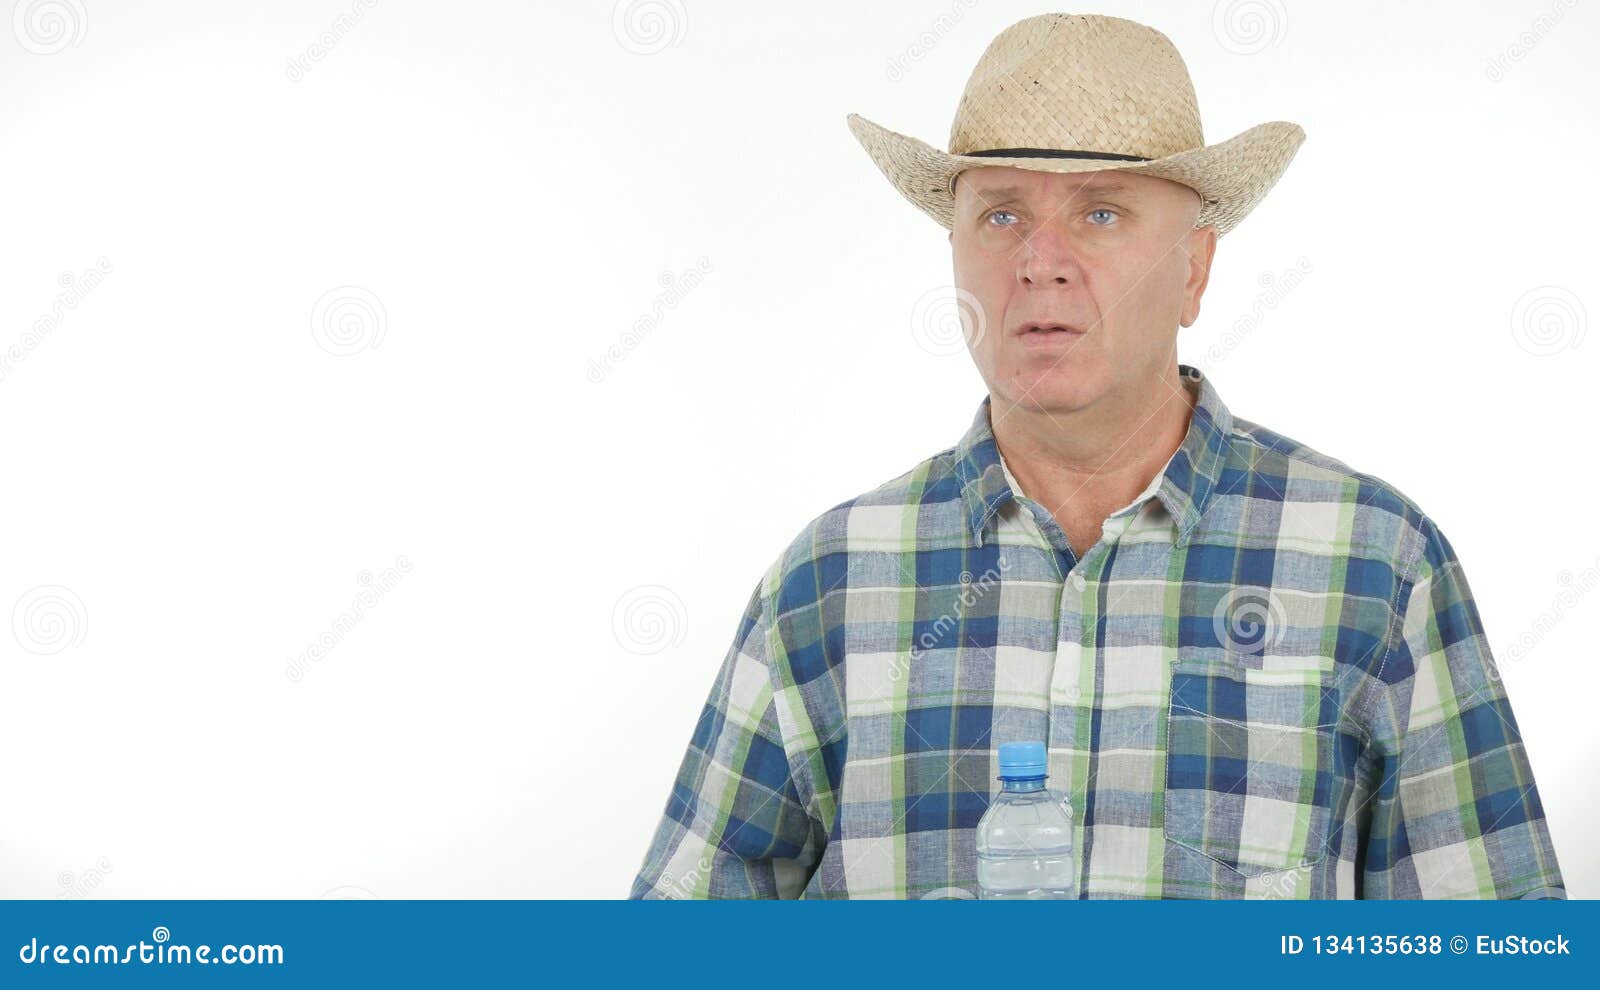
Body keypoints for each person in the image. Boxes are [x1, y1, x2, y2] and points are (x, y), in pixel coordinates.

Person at [628, 12, 1565, 899]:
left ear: (1195, 269)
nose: (1041, 260)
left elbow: (1491, 952)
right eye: (999, 215)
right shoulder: (826, 587)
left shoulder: (1375, 563)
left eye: (1102, 214)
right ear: (953, 254)